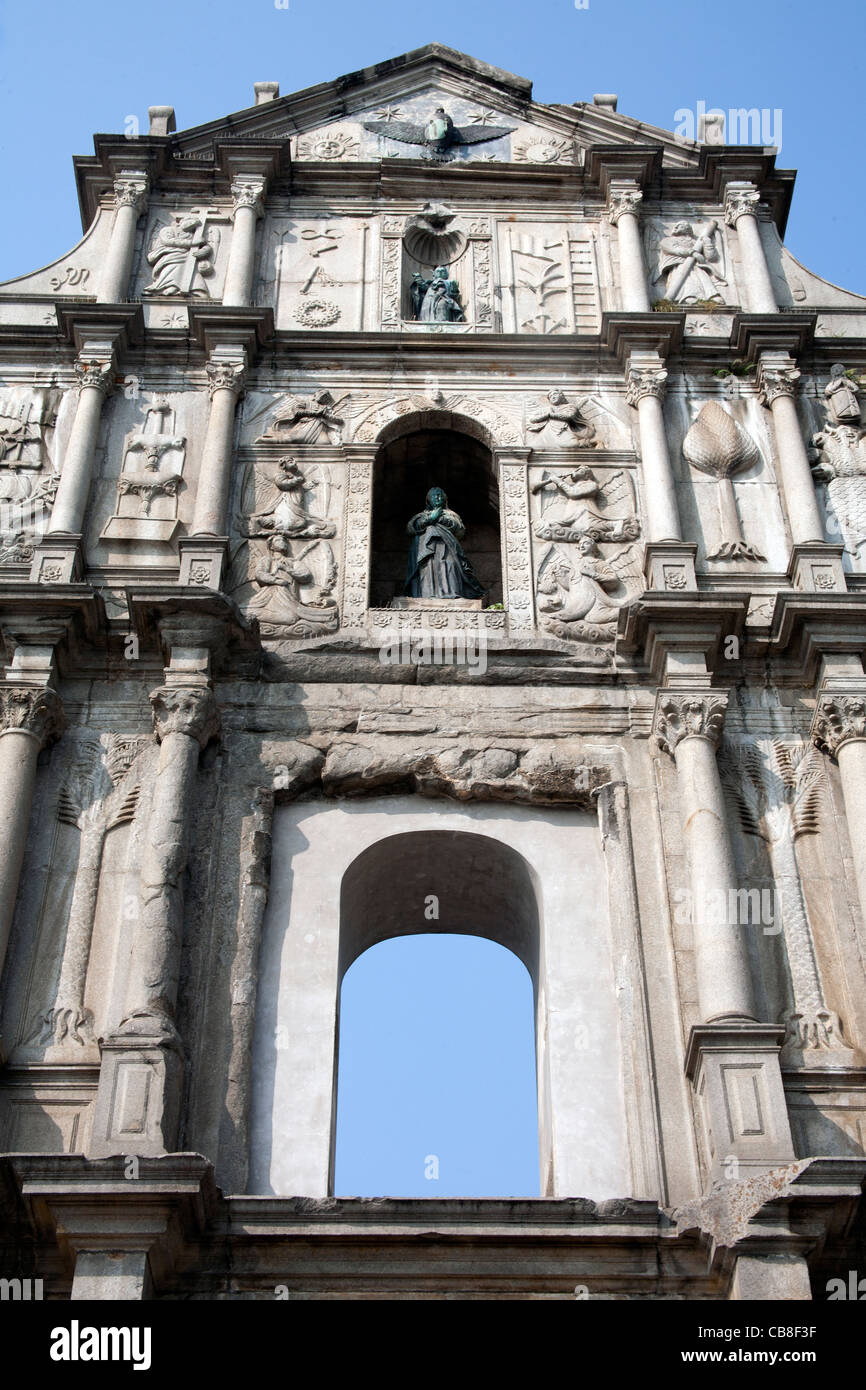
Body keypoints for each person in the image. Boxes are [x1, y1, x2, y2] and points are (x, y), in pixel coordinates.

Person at [405, 487, 483, 599]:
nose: (437, 497)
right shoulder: (421, 515)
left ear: (445, 499)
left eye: (440, 495)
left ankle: (451, 593)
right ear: (428, 500)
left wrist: (441, 519)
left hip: (448, 547)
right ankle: (426, 594)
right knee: (427, 568)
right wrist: (429, 519)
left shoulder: (451, 514)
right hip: (425, 550)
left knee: (450, 566)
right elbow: (410, 529)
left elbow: (460, 531)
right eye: (434, 495)